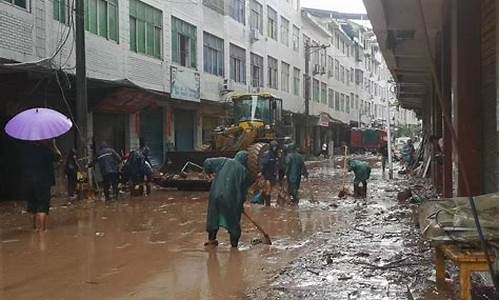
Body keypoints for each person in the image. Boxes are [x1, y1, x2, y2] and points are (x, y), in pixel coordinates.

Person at [203, 151, 250, 248]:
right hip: (230, 198)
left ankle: (211, 241)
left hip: (215, 195)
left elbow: (207, 162)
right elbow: (243, 192)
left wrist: (209, 173)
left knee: (213, 217)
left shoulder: (223, 161)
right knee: (234, 220)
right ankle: (234, 247)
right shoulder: (244, 171)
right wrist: (240, 205)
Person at [22, 139, 61, 231]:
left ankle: (34, 227)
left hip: (30, 182)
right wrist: (54, 145)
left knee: (33, 205)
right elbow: (59, 157)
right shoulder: (46, 151)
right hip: (43, 182)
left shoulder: (27, 151)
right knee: (43, 205)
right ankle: (43, 230)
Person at [260, 141, 279, 206]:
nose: (275, 148)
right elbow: (264, 165)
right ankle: (267, 204)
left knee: (270, 189)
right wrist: (262, 173)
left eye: (276, 147)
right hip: (267, 174)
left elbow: (276, 165)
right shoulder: (267, 154)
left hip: (272, 174)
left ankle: (265, 201)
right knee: (268, 189)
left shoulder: (275, 154)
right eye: (274, 147)